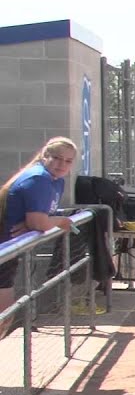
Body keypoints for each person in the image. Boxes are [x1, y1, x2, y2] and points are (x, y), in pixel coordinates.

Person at [1, 137, 78, 341]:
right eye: (57, 158)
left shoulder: (55, 180)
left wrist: (43, 220)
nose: (62, 164)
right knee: (5, 313)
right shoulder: (39, 178)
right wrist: (59, 220)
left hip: (9, 251)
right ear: (44, 156)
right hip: (4, 249)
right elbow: (39, 222)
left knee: (6, 312)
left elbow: (40, 218)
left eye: (68, 161)